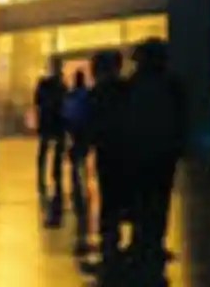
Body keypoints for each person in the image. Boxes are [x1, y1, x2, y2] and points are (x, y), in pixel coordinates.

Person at [124, 38, 187, 284]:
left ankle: (141, 242)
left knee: (141, 198)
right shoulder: (172, 84)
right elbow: (181, 116)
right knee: (159, 199)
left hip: (141, 152)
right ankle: (152, 242)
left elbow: (127, 117)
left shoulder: (134, 84)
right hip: (163, 152)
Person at [87, 50, 130, 276]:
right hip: (126, 150)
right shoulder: (127, 90)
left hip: (107, 150)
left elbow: (90, 121)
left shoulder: (98, 92)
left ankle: (110, 240)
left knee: (109, 194)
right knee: (123, 193)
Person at [63, 70, 92, 247]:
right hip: (84, 128)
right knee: (82, 153)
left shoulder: (72, 94)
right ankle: (83, 181)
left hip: (75, 128)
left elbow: (67, 111)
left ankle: (76, 182)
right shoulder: (86, 94)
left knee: (76, 155)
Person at [34, 58, 68, 199]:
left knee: (45, 148)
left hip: (48, 120)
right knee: (56, 149)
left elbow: (37, 101)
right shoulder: (61, 85)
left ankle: (44, 173)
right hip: (57, 121)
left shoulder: (45, 84)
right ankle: (55, 173)